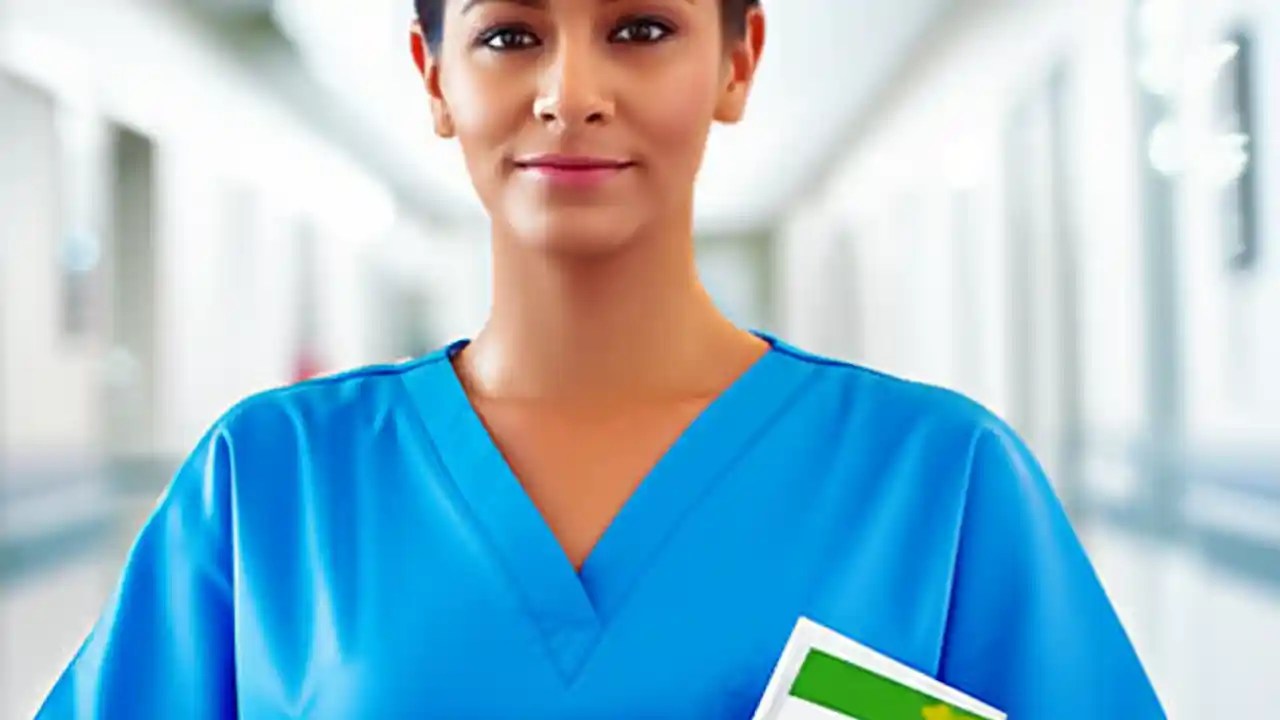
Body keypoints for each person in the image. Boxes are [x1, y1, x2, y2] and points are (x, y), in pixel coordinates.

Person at [37, 0, 1166, 717]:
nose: (570, 92)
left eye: (638, 28)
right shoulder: (271, 482)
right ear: (433, 75)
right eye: (508, 34)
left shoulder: (937, 481)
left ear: (737, 58)